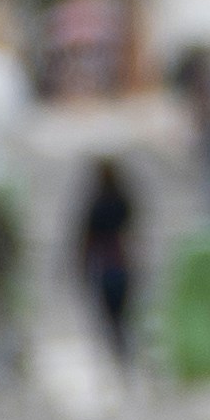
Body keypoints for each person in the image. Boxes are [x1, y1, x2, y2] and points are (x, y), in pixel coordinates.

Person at [73, 151, 138, 382]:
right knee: (123, 318)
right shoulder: (123, 200)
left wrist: (79, 267)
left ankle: (119, 359)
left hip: (107, 267)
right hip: (123, 265)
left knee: (111, 319)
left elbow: (85, 241)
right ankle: (125, 359)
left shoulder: (96, 206)